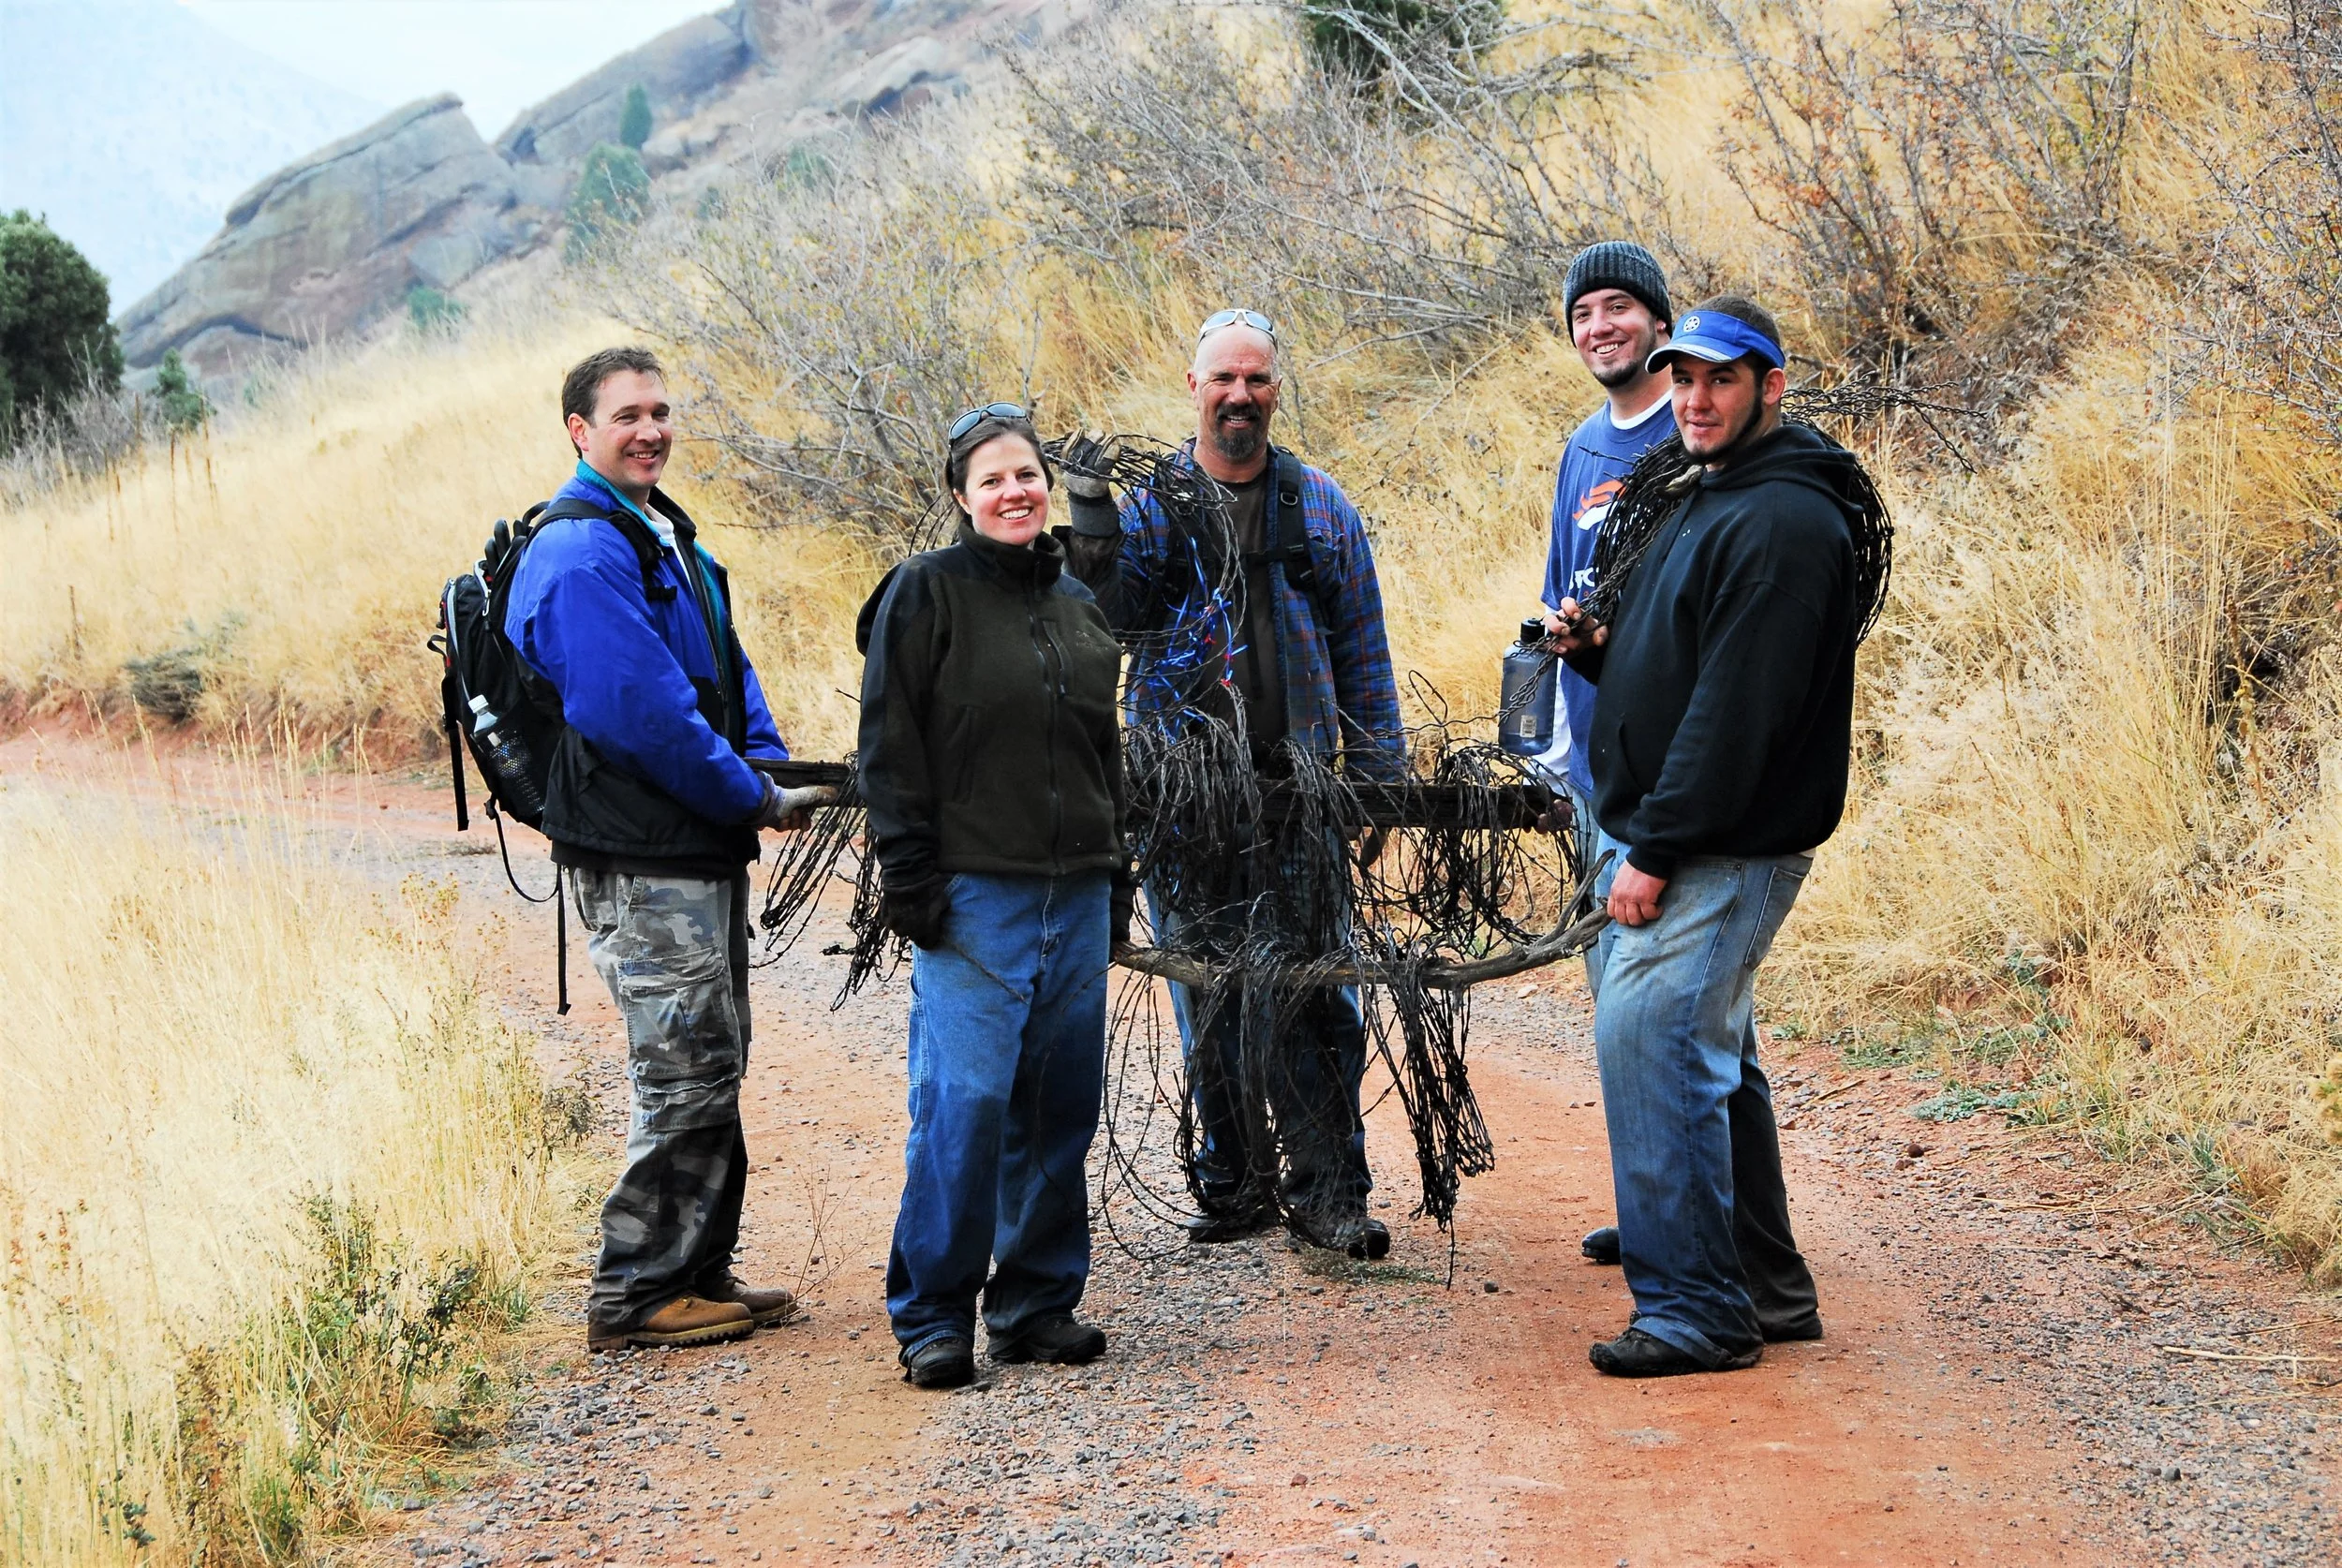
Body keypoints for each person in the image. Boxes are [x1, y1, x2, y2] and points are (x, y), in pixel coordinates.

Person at [1549, 296, 1852, 1377]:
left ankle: (1692, 1312)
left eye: (1721, 379)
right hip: (1699, 832)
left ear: (1771, 387)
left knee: (1653, 1038)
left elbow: (1738, 713)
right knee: (1710, 1054)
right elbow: (1681, 657)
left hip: (1723, 843)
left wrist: (1654, 853)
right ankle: (1762, 1290)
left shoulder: (1783, 522)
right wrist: (1595, 652)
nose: (1695, 398)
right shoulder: (1716, 493)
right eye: (1683, 379)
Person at [1065, 310, 1408, 1259]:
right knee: (1206, 991)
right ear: (1193, 387)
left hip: (1301, 797)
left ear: (1275, 391)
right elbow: (1104, 622)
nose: (1239, 395)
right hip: (1183, 804)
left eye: (1256, 379)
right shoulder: (1154, 506)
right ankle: (1233, 1181)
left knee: (1311, 987)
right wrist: (1092, 522)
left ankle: (1330, 1189)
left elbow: (1363, 649)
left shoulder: (1321, 507)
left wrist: (1377, 775)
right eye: (1224, 379)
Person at [504, 346, 813, 1351]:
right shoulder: (579, 552)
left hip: (690, 847)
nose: (651, 430)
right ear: (579, 431)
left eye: (662, 411)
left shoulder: (658, 533)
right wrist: (750, 793)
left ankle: (696, 1272)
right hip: (641, 857)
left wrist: (763, 765)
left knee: (713, 1059)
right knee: (682, 1068)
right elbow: (639, 712)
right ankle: (636, 1295)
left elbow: (727, 672)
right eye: (628, 414)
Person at [855, 405, 1130, 1391]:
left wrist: (1116, 874)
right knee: (963, 1107)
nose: (1016, 493)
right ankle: (932, 1316)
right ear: (961, 498)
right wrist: (910, 874)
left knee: (1060, 1108)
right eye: (994, 480)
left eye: (1028, 476)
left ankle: (1033, 1306)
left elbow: (1104, 753)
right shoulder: (925, 594)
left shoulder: (1076, 606)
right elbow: (887, 744)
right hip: (976, 897)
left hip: (1075, 888)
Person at [1534, 242, 1678, 1273]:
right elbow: (1560, 593)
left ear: (1659, 321)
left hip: (1673, 767)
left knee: (1679, 1004)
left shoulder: (1695, 427)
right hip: (1595, 767)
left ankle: (1697, 1223)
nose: (1599, 329)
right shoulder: (1583, 447)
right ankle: (1646, 1204)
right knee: (1615, 1004)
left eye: (1617, 307)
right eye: (1583, 315)